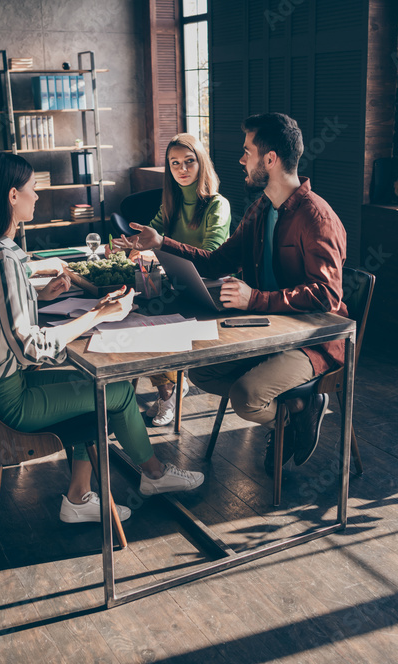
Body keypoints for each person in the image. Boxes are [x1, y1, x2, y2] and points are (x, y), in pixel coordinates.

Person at [0, 150, 204, 524]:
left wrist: (36, 294)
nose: (36, 196)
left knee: (94, 381)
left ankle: (81, 495)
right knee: (116, 390)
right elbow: (31, 347)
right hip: (9, 402)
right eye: (32, 189)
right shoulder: (4, 256)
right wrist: (96, 314)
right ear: (11, 196)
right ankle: (152, 475)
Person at [116, 113, 348, 476]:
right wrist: (162, 243)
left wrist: (254, 298)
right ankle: (292, 412)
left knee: (246, 397)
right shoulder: (260, 209)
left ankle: (299, 410)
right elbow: (215, 261)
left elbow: (326, 296)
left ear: (269, 159)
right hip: (265, 329)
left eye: (247, 152)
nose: (241, 159)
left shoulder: (317, 217)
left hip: (311, 341)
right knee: (201, 373)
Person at [140, 133, 231, 426]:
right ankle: (168, 389)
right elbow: (150, 237)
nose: (182, 169)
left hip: (212, 292)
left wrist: (159, 244)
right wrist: (130, 245)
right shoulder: (172, 202)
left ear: (201, 163)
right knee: (140, 310)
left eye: (189, 161)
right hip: (179, 287)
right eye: (175, 163)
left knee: (154, 317)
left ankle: (169, 393)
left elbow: (210, 255)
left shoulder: (218, 204)